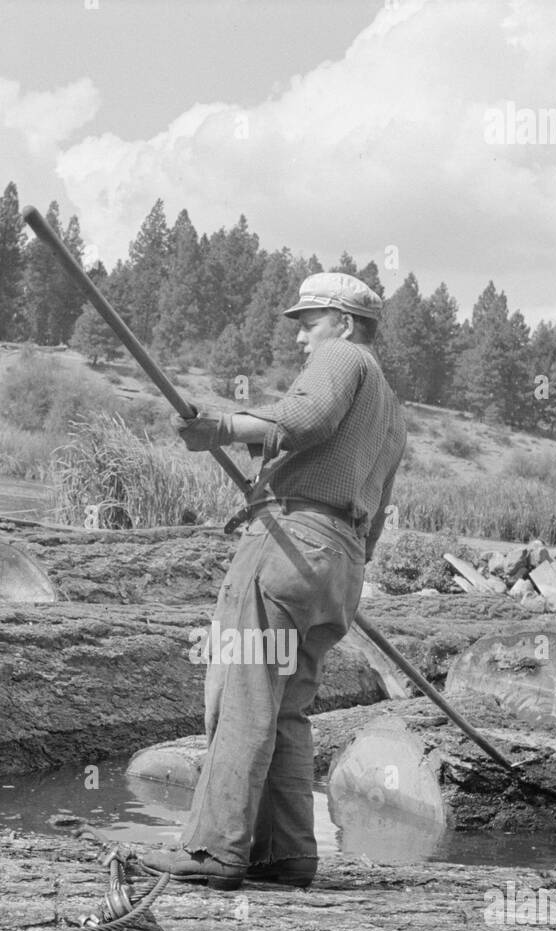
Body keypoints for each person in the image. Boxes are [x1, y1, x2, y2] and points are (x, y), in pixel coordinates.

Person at [140, 272, 407, 890]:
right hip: (339, 566)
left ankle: (212, 851)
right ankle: (285, 854)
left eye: (308, 324)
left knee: (242, 695)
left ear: (343, 323)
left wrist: (223, 427)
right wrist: (337, 567)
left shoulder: (343, 357)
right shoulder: (392, 414)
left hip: (287, 545)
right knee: (288, 711)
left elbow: (307, 417)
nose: (301, 341)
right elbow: (380, 507)